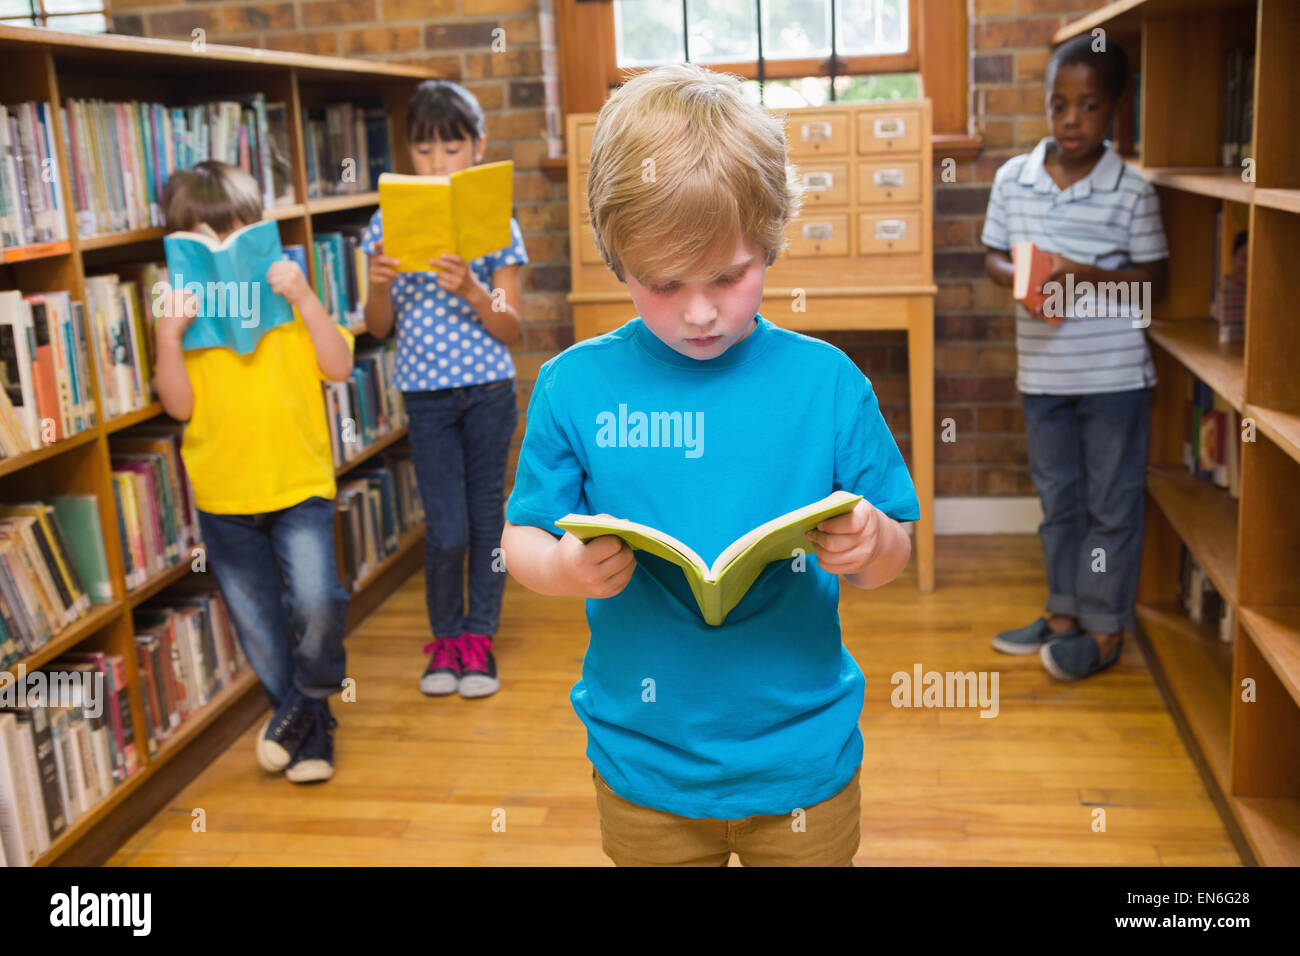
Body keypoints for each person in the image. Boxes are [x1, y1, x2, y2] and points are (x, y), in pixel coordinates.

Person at [500, 63, 918, 866]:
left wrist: (875, 544)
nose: (700, 312)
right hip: (643, 762)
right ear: (616, 261)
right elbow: (520, 539)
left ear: (771, 239)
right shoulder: (573, 386)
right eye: (663, 284)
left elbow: (892, 552)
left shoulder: (826, 384)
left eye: (730, 276)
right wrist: (560, 565)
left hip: (804, 761)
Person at [154, 161, 355, 782]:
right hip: (223, 492)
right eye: (203, 239)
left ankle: (308, 697)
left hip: (298, 480)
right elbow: (179, 406)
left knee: (318, 602)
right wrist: (168, 337)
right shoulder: (177, 313)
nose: (221, 249)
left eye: (233, 232)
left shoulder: (290, 294)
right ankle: (310, 736)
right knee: (261, 626)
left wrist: (305, 297)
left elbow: (340, 365)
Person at [983, 35, 1169, 679]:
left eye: (1088, 107)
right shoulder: (1014, 179)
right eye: (1058, 105)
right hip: (1042, 375)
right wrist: (1024, 281)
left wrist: (1084, 274)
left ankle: (1105, 628)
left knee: (1111, 505)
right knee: (1058, 501)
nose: (1070, 120)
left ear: (1116, 110)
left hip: (1114, 378)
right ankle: (1063, 615)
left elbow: (1152, 283)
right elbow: (993, 256)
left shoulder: (1132, 191)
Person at [362, 80, 528, 700]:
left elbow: (511, 327)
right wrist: (378, 285)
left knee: (487, 520)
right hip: (425, 395)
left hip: (486, 390)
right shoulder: (384, 226)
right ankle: (445, 638)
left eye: (452, 150)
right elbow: (378, 327)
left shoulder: (496, 224)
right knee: (446, 527)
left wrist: (472, 290)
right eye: (425, 152)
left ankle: (478, 639)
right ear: (409, 155)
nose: (437, 163)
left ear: (478, 148)